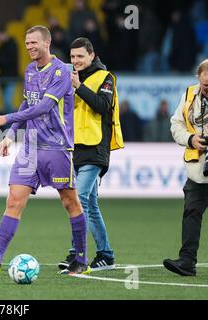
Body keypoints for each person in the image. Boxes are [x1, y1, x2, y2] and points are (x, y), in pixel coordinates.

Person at [0, 25, 90, 275]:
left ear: (47, 43)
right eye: (26, 43)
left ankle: (81, 259)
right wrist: (11, 134)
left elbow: (43, 107)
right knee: (13, 200)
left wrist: (6, 118)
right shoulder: (30, 70)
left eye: (34, 42)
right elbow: (28, 101)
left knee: (70, 202)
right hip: (30, 147)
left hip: (57, 147)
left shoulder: (61, 71)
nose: (30, 47)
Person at [57, 37, 124, 272]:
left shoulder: (105, 78)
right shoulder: (69, 78)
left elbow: (102, 105)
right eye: (73, 57)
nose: (75, 61)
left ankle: (76, 253)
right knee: (90, 205)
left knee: (79, 199)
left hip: (96, 148)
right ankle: (106, 254)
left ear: (91, 56)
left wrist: (78, 87)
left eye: (80, 57)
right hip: (74, 149)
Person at [164, 59, 208, 276]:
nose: (206, 88)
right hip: (198, 170)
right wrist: (191, 139)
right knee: (191, 213)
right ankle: (187, 262)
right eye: (204, 84)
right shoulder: (190, 94)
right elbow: (176, 124)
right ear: (198, 78)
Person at [0, 28, 19, 113]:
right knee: (5, 103)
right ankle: (8, 123)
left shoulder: (12, 44)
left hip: (11, 77)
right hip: (2, 77)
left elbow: (10, 61)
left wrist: (0, 61)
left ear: (2, 33)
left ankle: (11, 123)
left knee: (7, 102)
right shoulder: (1, 46)